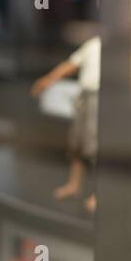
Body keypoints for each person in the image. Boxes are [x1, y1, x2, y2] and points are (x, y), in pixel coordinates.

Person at [31, 35, 100, 212]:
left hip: (103, 98)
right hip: (85, 96)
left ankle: (99, 194)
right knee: (77, 144)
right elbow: (72, 64)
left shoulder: (118, 46)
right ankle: (74, 185)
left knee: (95, 147)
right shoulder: (93, 43)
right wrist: (49, 79)